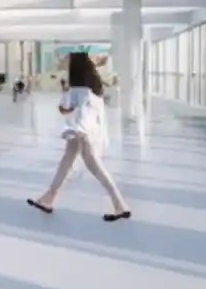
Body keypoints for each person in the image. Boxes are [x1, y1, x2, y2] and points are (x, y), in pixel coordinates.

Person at [27, 52, 131, 222]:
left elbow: (63, 108)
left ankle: (120, 204)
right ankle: (49, 198)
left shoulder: (77, 90)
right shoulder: (93, 90)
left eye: (68, 61)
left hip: (80, 131)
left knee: (94, 167)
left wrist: (66, 94)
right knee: (67, 162)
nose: (65, 63)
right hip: (90, 131)